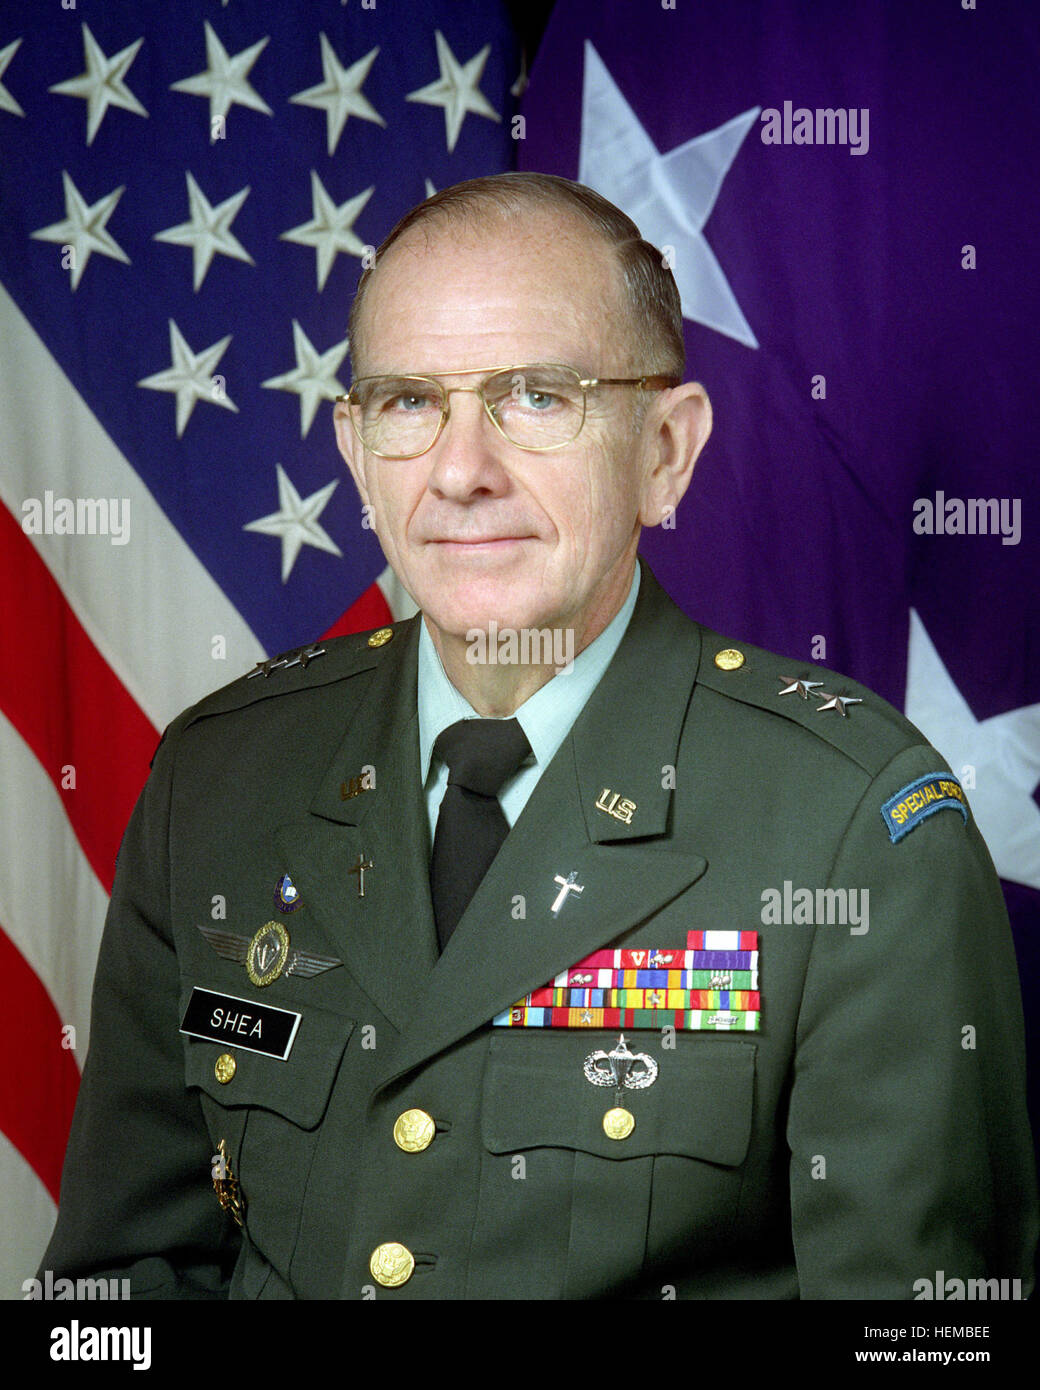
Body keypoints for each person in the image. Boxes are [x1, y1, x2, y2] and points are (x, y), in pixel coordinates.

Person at [42, 172, 1036, 1300]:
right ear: (358, 452)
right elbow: (112, 1295)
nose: (462, 472)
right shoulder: (216, 775)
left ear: (665, 450)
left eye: (537, 396)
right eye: (410, 403)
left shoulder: (852, 825)